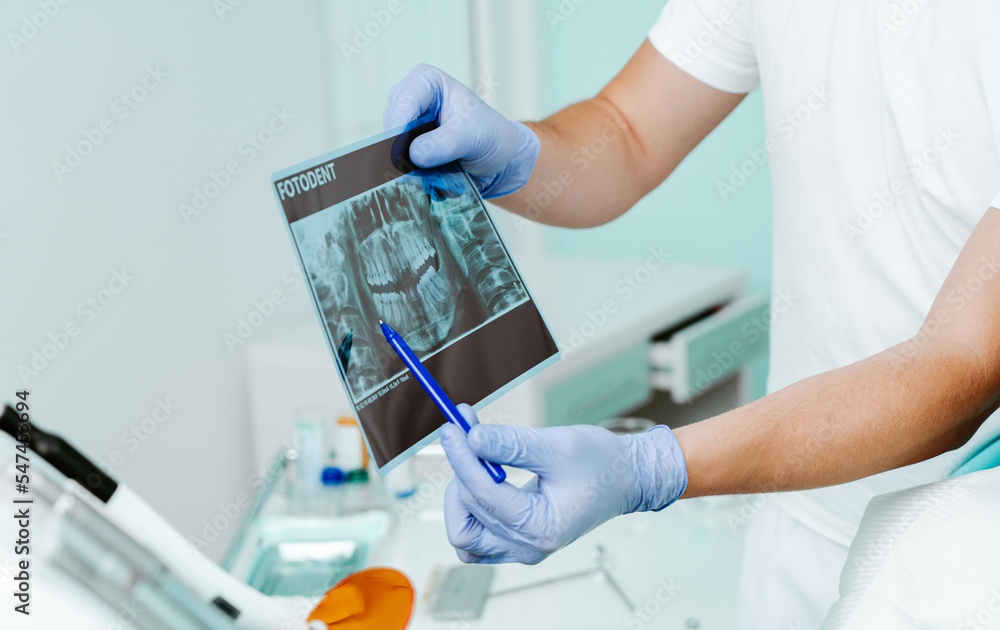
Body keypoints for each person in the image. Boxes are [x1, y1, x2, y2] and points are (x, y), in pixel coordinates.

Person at [382, 1, 1000, 626]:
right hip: (795, 505)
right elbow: (629, 132)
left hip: (963, 542)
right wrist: (518, 156)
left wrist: (651, 467)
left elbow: (961, 360)